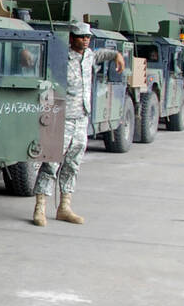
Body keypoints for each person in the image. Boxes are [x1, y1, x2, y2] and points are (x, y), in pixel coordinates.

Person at [33, 21, 123, 226]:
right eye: (81, 37)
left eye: (88, 37)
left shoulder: (89, 55)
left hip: (81, 117)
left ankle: (64, 207)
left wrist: (117, 55)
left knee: (73, 164)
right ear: (72, 38)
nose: (85, 40)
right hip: (62, 118)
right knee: (51, 163)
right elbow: (37, 62)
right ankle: (40, 207)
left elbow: (104, 54)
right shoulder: (61, 56)